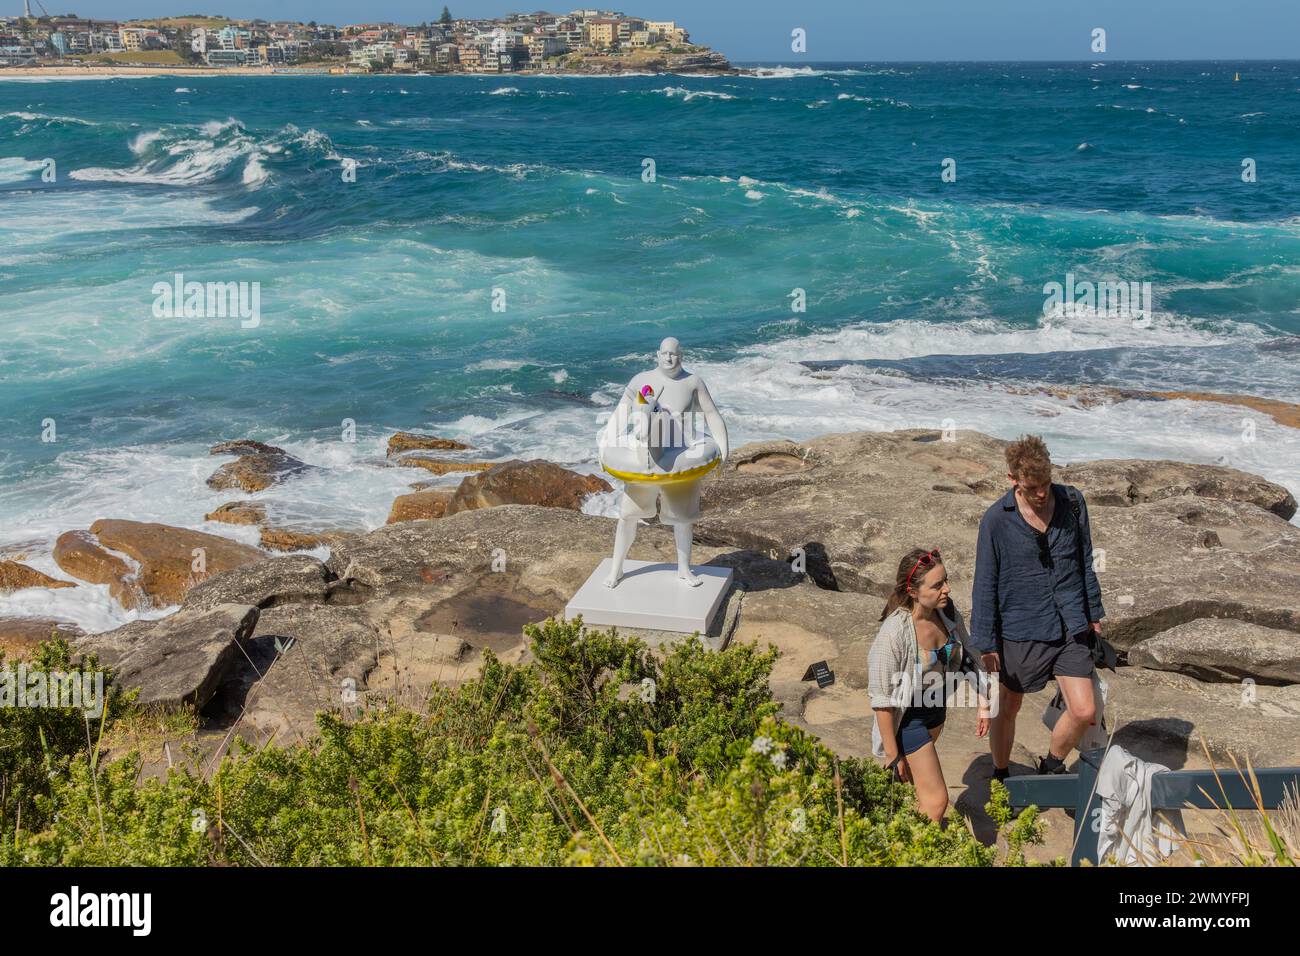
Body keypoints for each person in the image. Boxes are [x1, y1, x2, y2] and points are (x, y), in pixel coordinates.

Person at [970, 434, 1106, 779]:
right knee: (1008, 706)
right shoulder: (995, 521)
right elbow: (984, 583)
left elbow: (1084, 559)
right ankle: (1001, 773)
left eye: (1046, 483)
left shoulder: (1073, 502)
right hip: (1020, 627)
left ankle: (1052, 765)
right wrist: (985, 644)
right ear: (1013, 480)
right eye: (1032, 487)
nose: (1042, 493)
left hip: (1070, 623)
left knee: (1085, 708)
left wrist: (1094, 615)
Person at [868, 547, 991, 822]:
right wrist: (892, 754)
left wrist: (984, 703)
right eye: (937, 585)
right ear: (913, 591)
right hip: (908, 720)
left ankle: (902, 831)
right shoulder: (894, 633)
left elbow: (969, 653)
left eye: (945, 580)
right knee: (937, 801)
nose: (946, 589)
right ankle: (917, 850)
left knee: (912, 784)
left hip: (936, 712)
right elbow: (882, 699)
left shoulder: (946, 613)